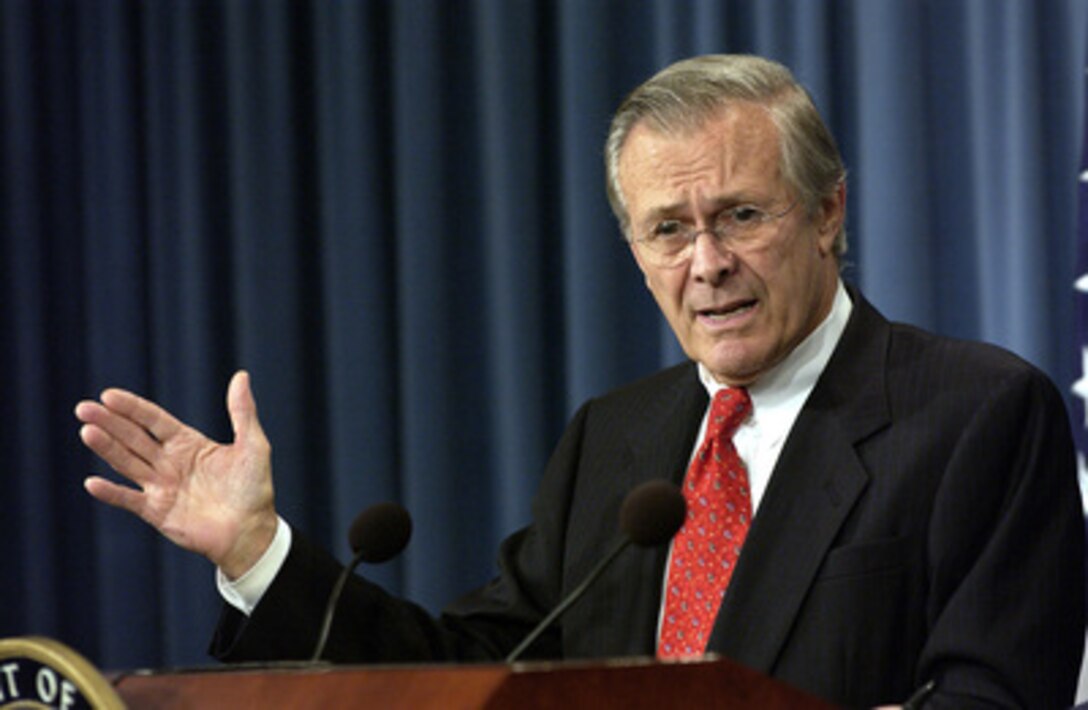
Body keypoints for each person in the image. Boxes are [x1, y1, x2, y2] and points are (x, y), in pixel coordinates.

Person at [75, 54, 1085, 708]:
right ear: (632, 246)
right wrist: (258, 552)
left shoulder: (974, 412)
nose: (705, 262)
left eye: (739, 215)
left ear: (827, 212)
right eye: (666, 230)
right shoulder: (617, 438)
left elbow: (993, 699)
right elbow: (480, 671)